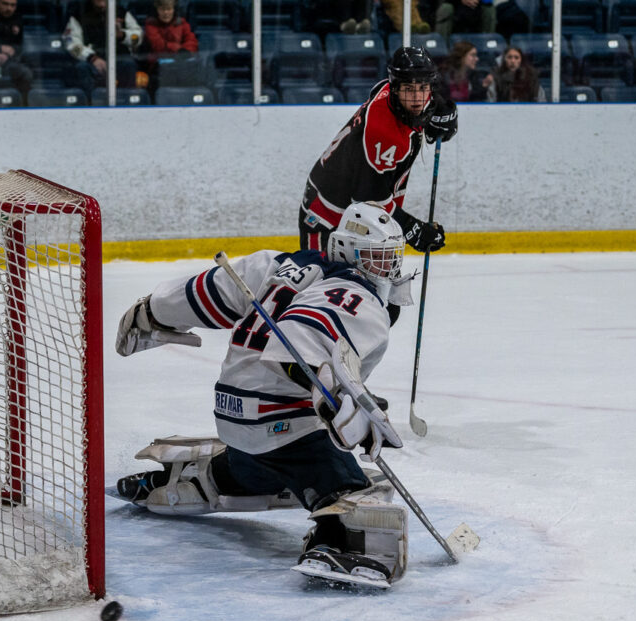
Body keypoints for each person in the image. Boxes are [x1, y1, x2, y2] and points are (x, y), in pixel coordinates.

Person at [111, 204, 416, 588]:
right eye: (376, 257)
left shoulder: (277, 264)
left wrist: (152, 311)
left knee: (263, 461)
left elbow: (206, 292)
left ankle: (208, 479)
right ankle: (337, 537)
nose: (385, 269)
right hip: (282, 422)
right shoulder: (357, 294)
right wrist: (341, 400)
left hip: (232, 415)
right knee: (355, 485)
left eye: (390, 258)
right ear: (344, 249)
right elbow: (301, 343)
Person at [299, 47, 456, 266]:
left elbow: (400, 90)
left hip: (365, 219)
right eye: (409, 89)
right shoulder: (385, 132)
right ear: (395, 89)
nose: (417, 98)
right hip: (327, 215)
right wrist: (413, 228)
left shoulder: (388, 90)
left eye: (423, 88)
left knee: (378, 290)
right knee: (320, 287)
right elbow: (369, 196)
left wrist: (440, 108)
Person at [63, 0, 141, 93]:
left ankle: (126, 101)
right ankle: (90, 103)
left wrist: (122, 35)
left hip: (119, 57)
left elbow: (138, 36)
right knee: (82, 68)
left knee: (129, 64)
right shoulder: (79, 14)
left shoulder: (121, 12)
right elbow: (72, 44)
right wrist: (92, 58)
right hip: (92, 60)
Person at [141, 0, 197, 75]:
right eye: (162, 9)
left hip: (181, 63)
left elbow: (191, 41)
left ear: (174, 10)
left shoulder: (182, 23)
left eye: (169, 9)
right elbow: (158, 45)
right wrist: (178, 50)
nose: (166, 12)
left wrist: (186, 52)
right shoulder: (150, 24)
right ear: (157, 11)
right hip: (157, 66)